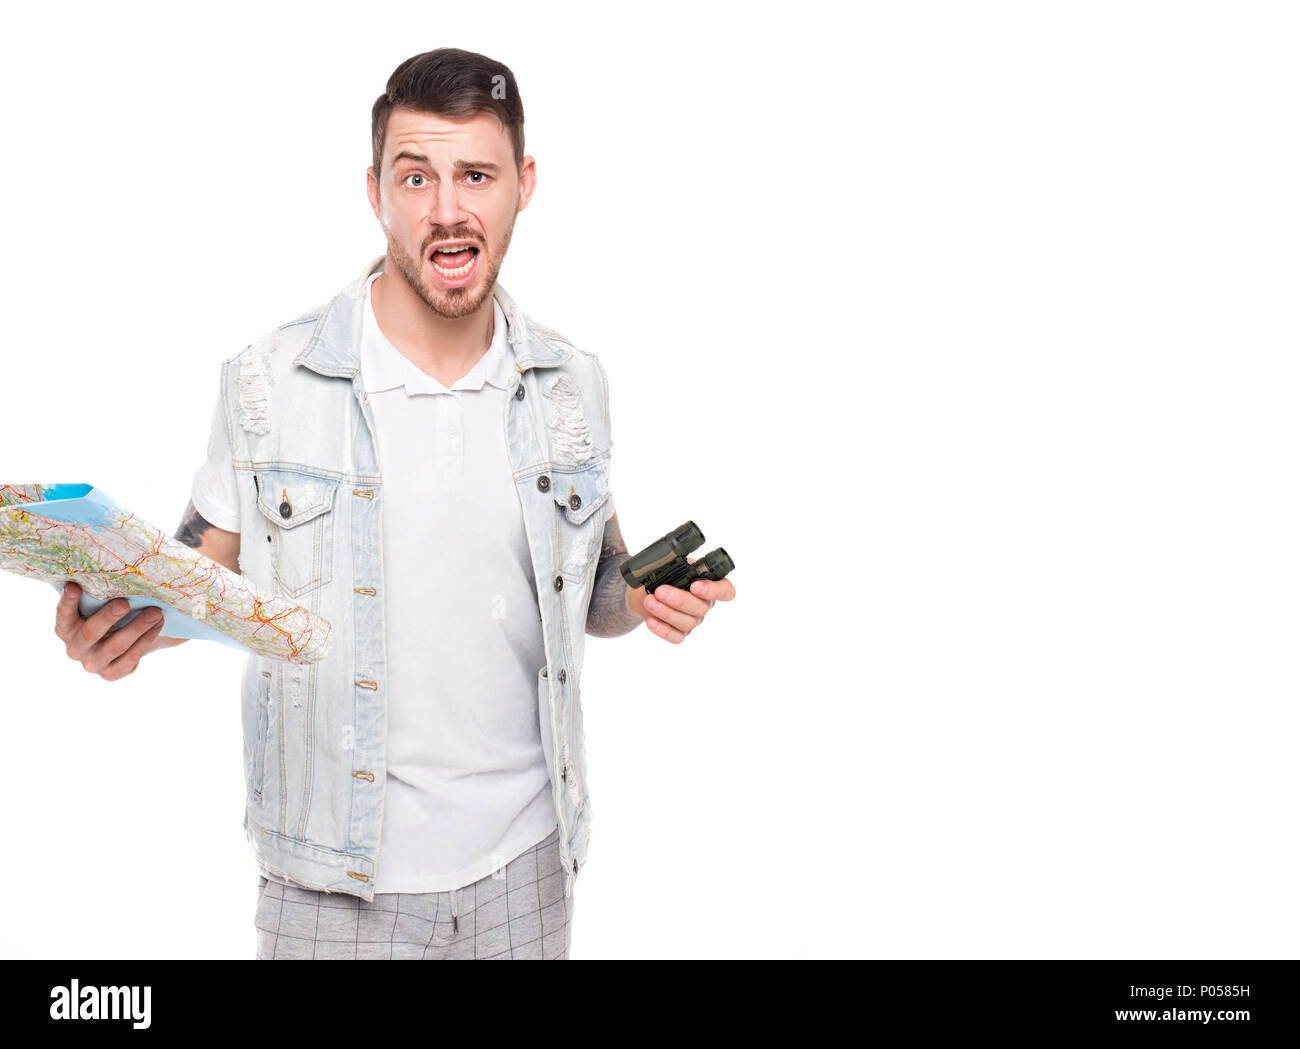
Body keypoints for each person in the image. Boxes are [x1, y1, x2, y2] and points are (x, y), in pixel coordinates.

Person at [53, 47, 736, 960]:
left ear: (523, 185)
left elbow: (594, 587)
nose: (447, 208)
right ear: (374, 189)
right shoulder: (268, 381)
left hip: (526, 872)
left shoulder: (573, 385)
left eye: (476, 174)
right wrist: (122, 623)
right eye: (416, 176)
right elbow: (202, 578)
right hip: (331, 884)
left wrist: (646, 596)